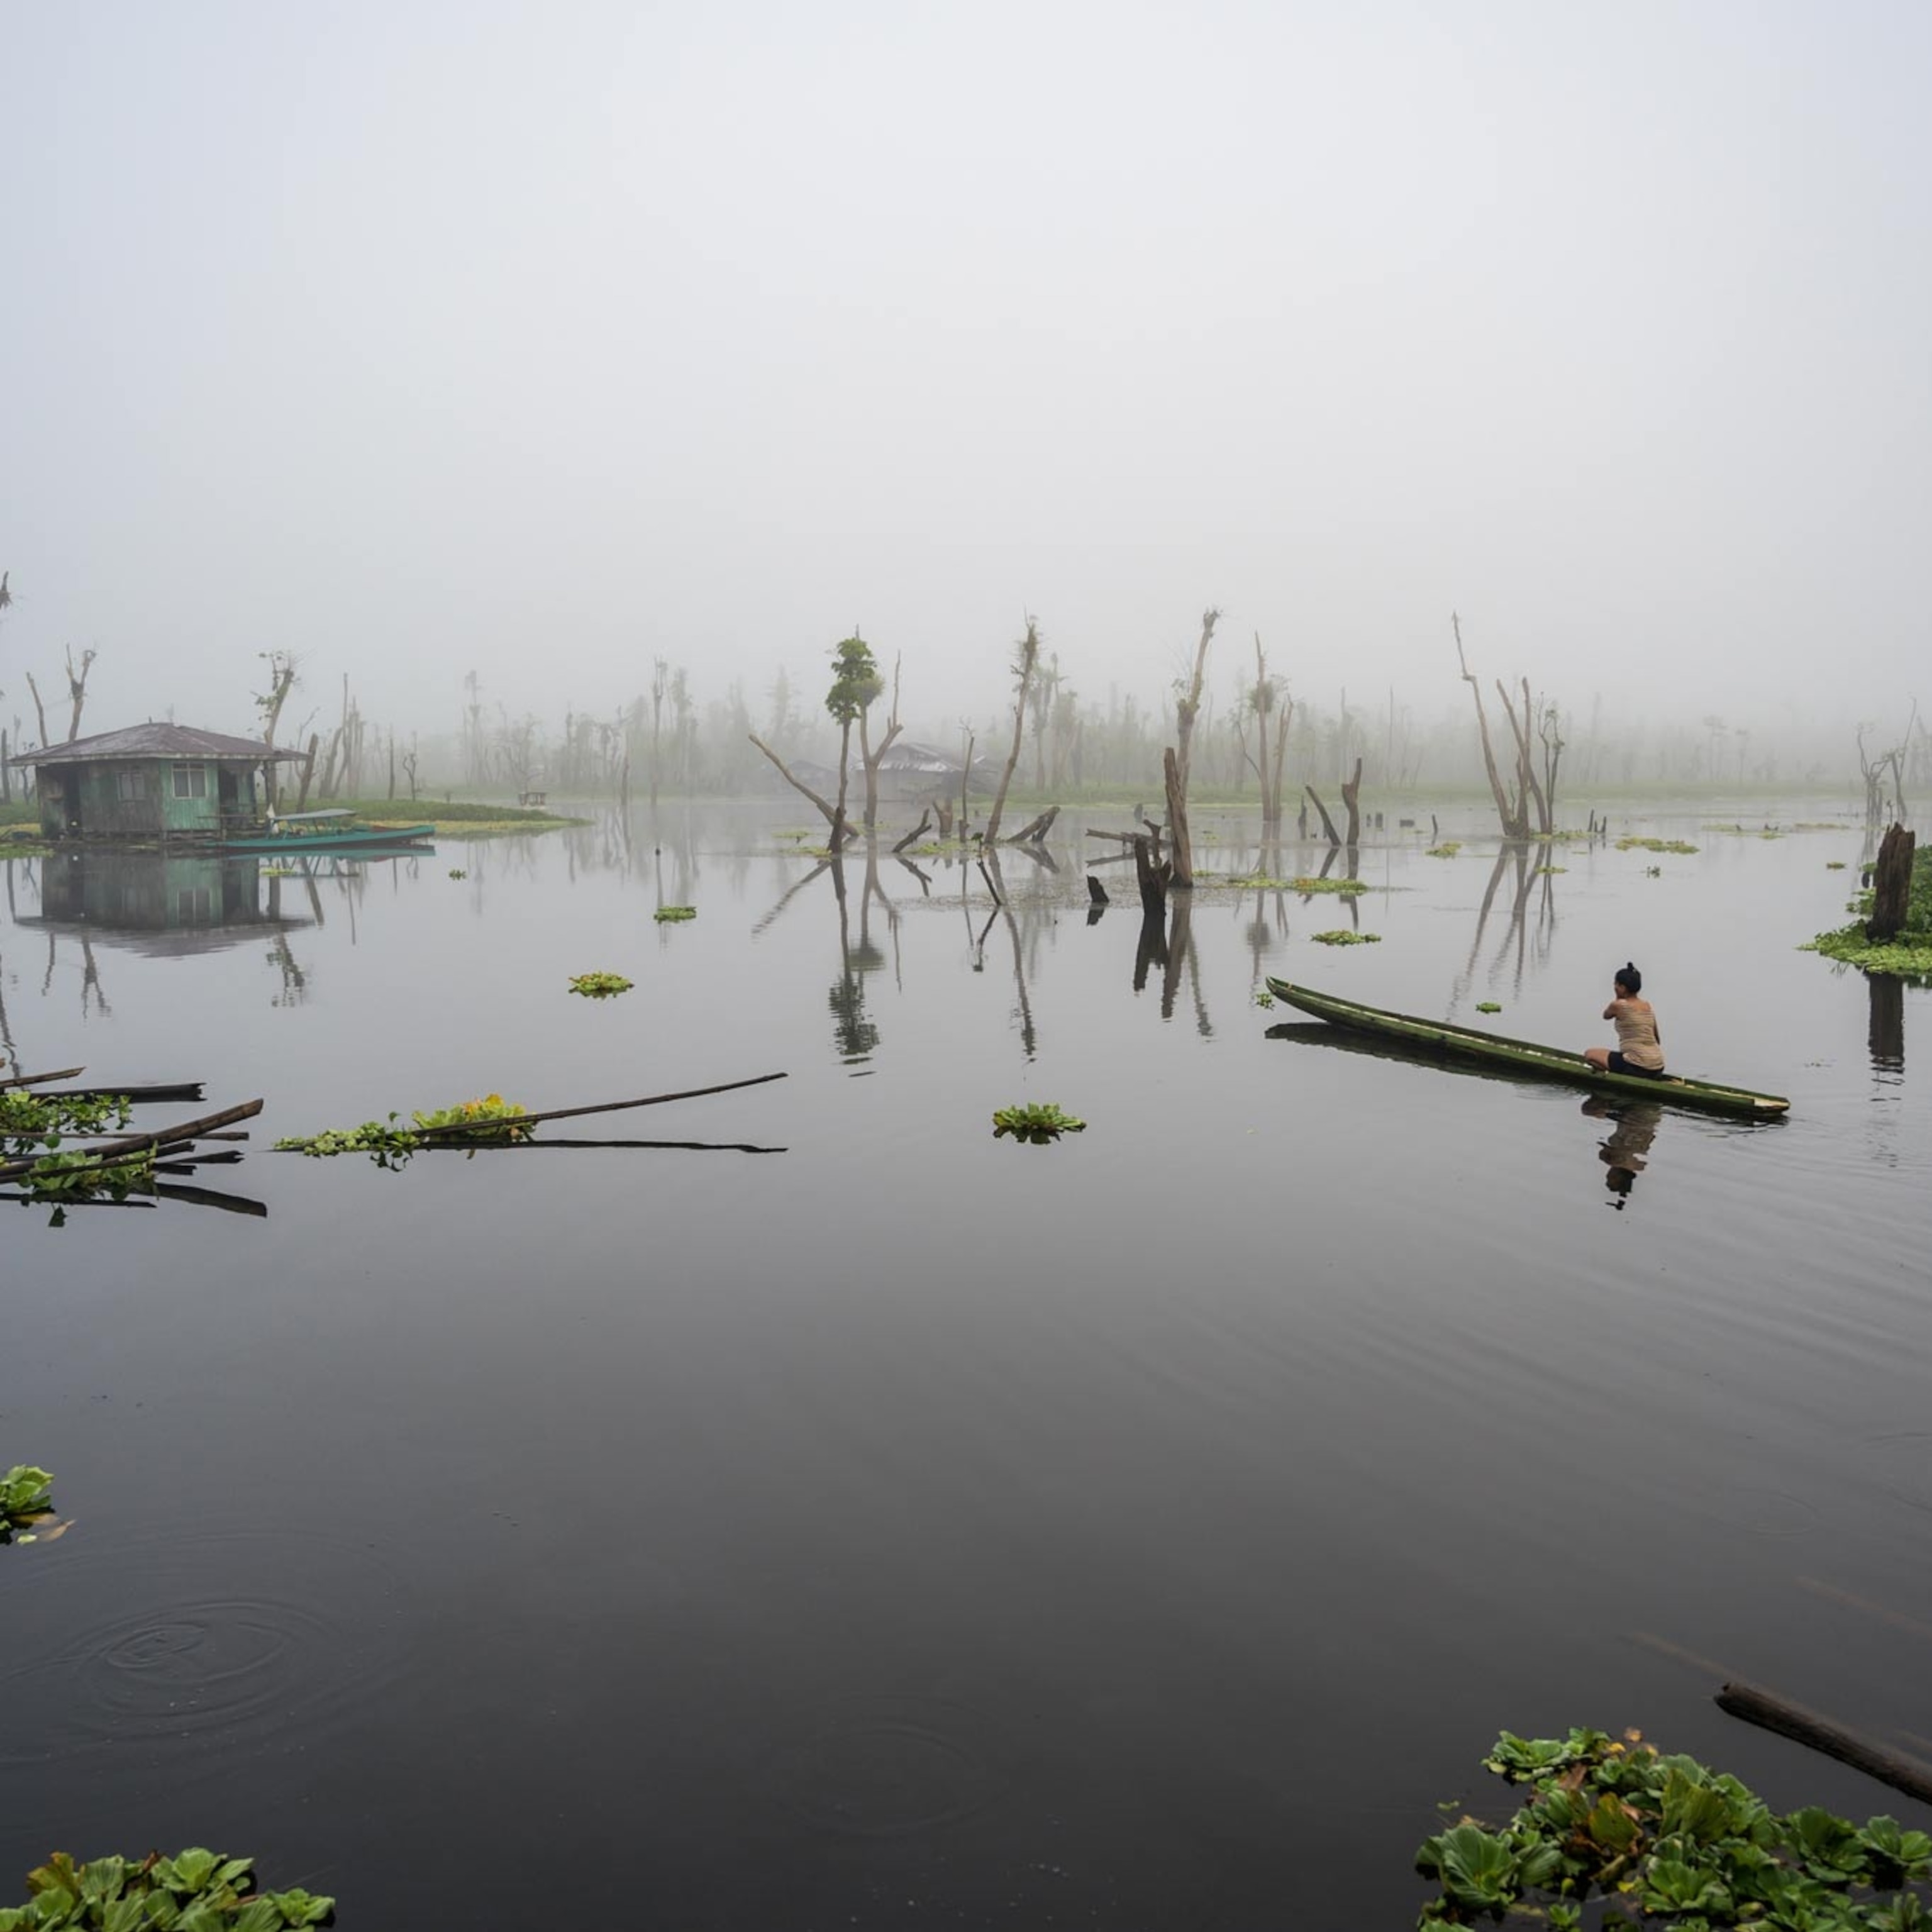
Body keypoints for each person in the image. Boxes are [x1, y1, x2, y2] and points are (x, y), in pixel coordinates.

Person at [1585, 962, 1665, 1077]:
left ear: (1623, 988)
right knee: (1622, 1057)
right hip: (1658, 1066)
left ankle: (1616, 1076)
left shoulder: (1618, 1005)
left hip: (1638, 1067)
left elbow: (1606, 1016)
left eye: (1616, 984)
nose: (1614, 987)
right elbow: (1657, 1039)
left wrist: (1618, 998)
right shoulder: (1647, 1006)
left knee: (1590, 1054)